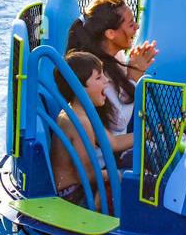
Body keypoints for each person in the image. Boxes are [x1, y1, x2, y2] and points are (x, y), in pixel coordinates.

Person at [51, 51, 132, 209]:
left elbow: (113, 142)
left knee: (129, 161)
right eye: (99, 77)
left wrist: (149, 133)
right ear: (80, 87)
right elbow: (87, 175)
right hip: (72, 196)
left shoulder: (79, 111)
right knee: (126, 183)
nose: (106, 81)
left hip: (76, 188)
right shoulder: (80, 121)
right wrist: (116, 175)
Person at [68, 0, 158, 135]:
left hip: (126, 132)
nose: (137, 27)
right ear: (110, 34)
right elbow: (118, 122)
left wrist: (132, 68)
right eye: (130, 24)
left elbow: (122, 98)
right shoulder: (96, 71)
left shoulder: (116, 54)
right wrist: (134, 75)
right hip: (115, 151)